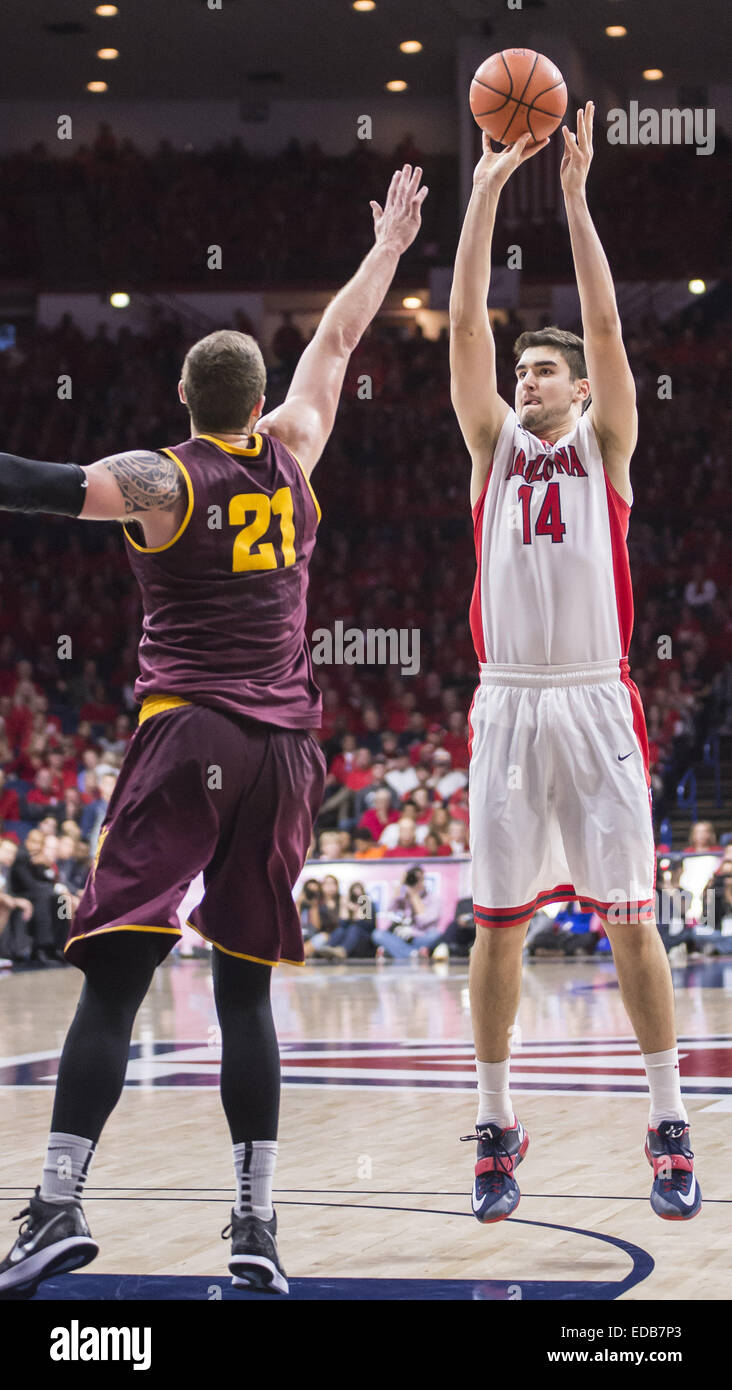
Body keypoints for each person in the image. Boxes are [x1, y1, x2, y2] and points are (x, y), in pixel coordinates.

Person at [0, 162, 428, 1298]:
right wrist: (385, 248)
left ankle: (54, 1204)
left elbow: (41, 485)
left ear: (185, 404)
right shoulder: (294, 445)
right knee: (246, 993)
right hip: (289, 751)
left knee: (115, 977)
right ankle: (255, 1229)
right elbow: (335, 345)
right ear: (255, 400)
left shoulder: (157, 479)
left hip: (190, 732)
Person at [450, 106, 699, 1224]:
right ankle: (498, 1127)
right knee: (496, 925)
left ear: (582, 390)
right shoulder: (490, 445)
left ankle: (668, 1121)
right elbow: (461, 323)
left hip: (596, 701)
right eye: (525, 369)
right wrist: (490, 189)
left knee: (633, 919)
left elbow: (606, 323)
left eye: (546, 369)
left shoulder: (607, 444)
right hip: (507, 708)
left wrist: (579, 199)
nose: (530, 378)